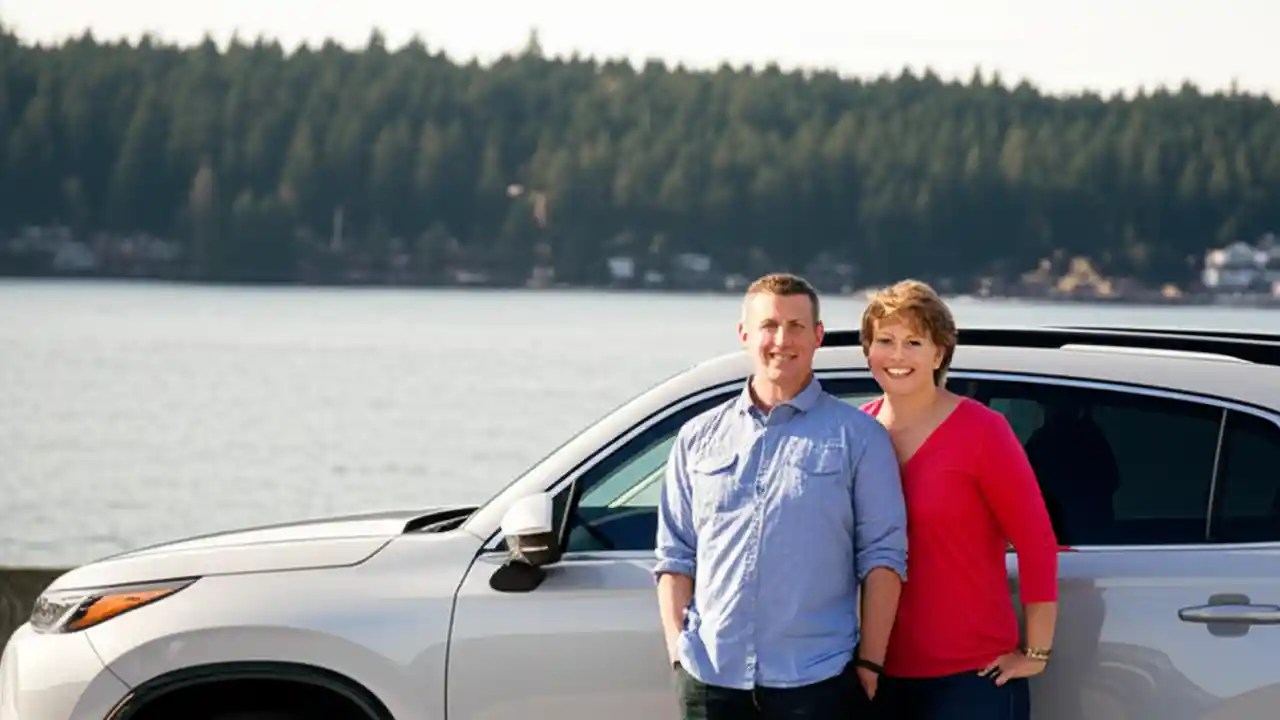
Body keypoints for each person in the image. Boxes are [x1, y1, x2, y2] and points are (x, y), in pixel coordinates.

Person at [654, 272, 908, 719]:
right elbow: (675, 555)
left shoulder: (859, 438)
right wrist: (680, 653)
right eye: (769, 325)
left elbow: (883, 558)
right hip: (712, 680)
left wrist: (869, 663)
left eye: (795, 326)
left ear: (817, 336)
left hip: (818, 682)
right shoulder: (697, 438)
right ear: (744, 335)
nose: (781, 339)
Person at [857, 279, 1059, 720]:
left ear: (939, 353)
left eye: (913, 342)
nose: (896, 355)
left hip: (971, 679)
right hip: (877, 675)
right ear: (868, 351)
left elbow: (1036, 541)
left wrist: (1037, 652)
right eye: (884, 341)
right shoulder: (855, 432)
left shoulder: (983, 432)